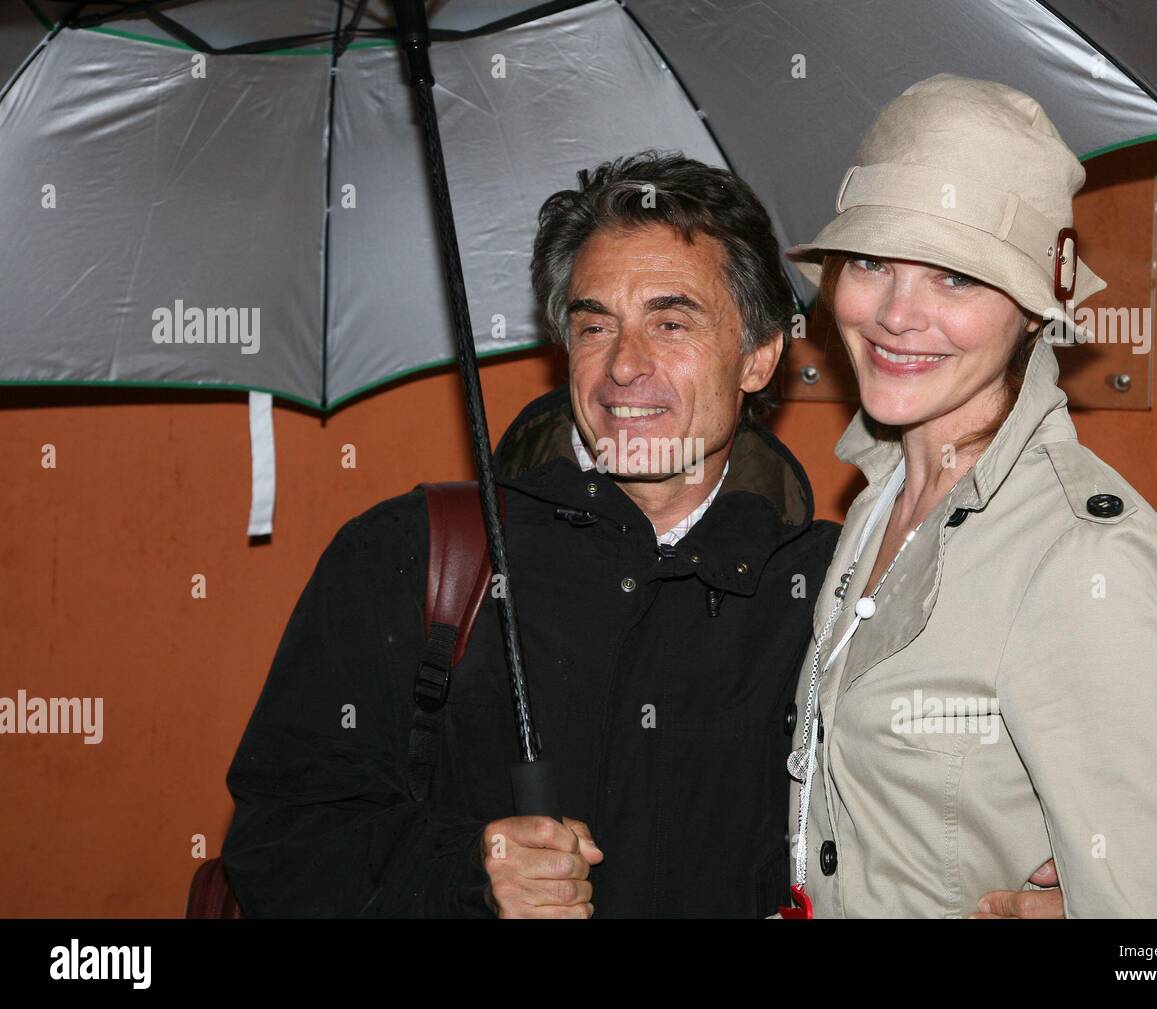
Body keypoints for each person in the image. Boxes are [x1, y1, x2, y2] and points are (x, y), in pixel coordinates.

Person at [222, 150, 1061, 918]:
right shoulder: (418, 556)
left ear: (761, 355)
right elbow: (276, 849)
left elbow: (915, 828)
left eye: (671, 321)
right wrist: (467, 870)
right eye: (593, 325)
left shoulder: (837, 590)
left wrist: (1033, 890)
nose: (623, 366)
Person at [780, 74, 1157, 918]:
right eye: (872, 260)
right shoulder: (875, 503)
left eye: (955, 277)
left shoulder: (1085, 558)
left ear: (1033, 309)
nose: (897, 314)